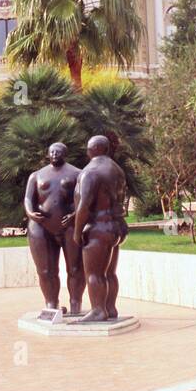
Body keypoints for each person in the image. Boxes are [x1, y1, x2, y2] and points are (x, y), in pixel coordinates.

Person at [23, 142, 84, 314]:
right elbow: (28, 198)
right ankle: (51, 303)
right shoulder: (36, 175)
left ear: (65, 153)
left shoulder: (77, 174)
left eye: (58, 151)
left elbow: (84, 200)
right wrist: (30, 212)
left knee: (75, 268)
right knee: (45, 269)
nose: (55, 154)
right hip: (41, 227)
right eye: (52, 151)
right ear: (47, 154)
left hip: (70, 226)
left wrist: (74, 216)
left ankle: (75, 303)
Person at [73, 134, 129, 322]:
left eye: (89, 148)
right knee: (110, 272)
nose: (87, 151)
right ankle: (110, 308)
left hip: (99, 227)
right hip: (118, 226)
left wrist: (77, 231)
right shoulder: (117, 170)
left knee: (95, 273)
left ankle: (98, 310)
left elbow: (83, 206)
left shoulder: (91, 172)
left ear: (95, 149)